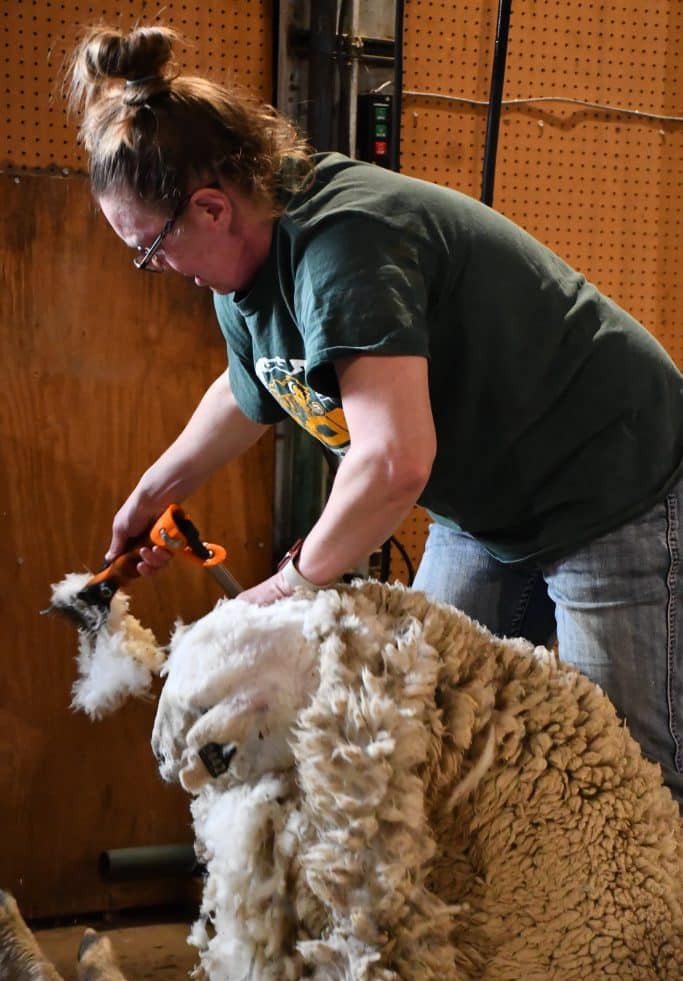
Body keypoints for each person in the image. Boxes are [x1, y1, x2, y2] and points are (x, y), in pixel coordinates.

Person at [67, 24, 683, 807]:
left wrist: (288, 586)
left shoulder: (344, 244)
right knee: (424, 728)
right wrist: (153, 493)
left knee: (630, 778)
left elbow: (393, 461)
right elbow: (253, 387)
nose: (155, 268)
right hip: (488, 507)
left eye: (149, 248)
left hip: (610, 483)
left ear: (210, 208)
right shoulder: (245, 270)